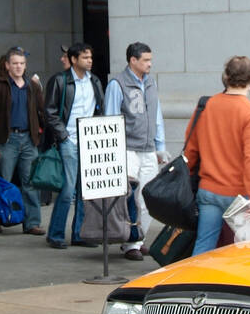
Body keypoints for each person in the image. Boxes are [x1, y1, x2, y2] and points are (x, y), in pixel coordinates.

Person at [183, 56, 250, 256]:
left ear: (226, 77)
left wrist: (188, 179)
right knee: (249, 251)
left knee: (204, 247)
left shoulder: (206, 106)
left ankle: (194, 284)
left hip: (208, 189)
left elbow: (190, 149)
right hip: (239, 194)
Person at [103, 41, 166, 261]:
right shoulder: (117, 84)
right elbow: (110, 119)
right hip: (127, 149)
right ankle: (130, 242)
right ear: (133, 60)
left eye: (150, 59)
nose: (150, 64)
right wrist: (113, 152)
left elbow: (156, 115)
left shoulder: (150, 83)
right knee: (130, 198)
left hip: (148, 148)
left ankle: (138, 238)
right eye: (146, 60)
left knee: (149, 198)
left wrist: (160, 146)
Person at [43, 42, 103, 249]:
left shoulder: (94, 81)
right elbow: (49, 111)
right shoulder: (60, 81)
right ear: (74, 59)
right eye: (85, 57)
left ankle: (79, 233)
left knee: (85, 190)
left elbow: (99, 109)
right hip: (69, 140)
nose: (90, 61)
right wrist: (64, 136)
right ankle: (56, 234)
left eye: (91, 57)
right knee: (68, 189)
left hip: (89, 140)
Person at [0, 46, 46, 235]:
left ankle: (32, 223)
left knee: (30, 182)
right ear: (7, 65)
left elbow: (41, 112)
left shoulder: (32, 86)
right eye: (15, 64)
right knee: (3, 181)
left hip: (28, 138)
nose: (19, 67)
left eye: (22, 63)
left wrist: (43, 137)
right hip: (8, 139)